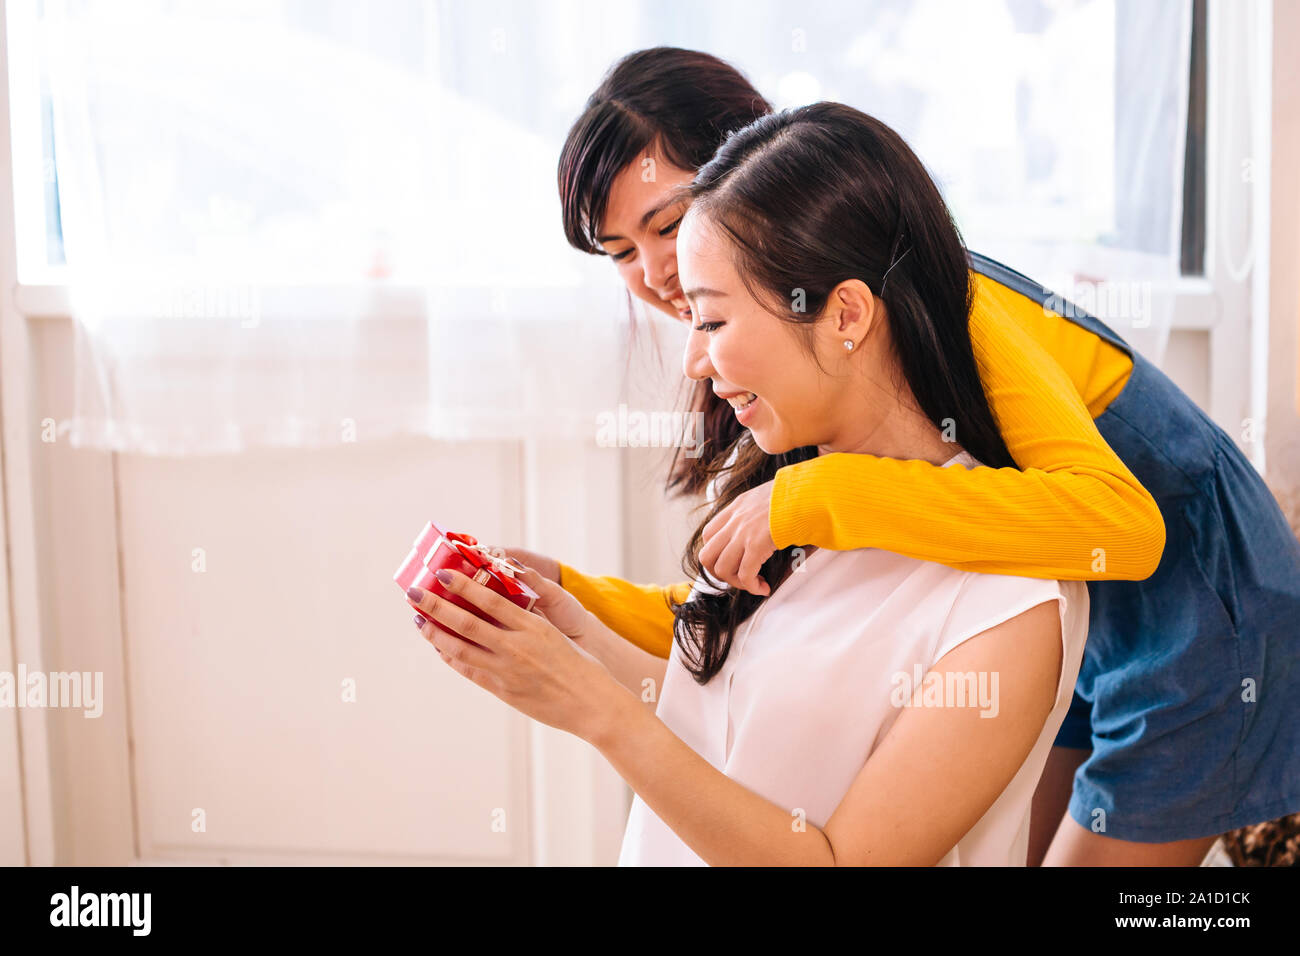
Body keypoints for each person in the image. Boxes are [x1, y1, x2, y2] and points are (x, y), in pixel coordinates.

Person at [518, 48, 1300, 866]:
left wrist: (824, 495)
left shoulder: (943, 307)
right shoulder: (800, 378)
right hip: (1071, 598)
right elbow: (767, 616)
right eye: (617, 252)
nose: (656, 274)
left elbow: (1126, 530)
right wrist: (568, 601)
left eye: (669, 226)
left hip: (1199, 600)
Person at [410, 102, 1091, 865]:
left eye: (712, 323)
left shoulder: (1010, 607)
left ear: (846, 315)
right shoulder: (785, 502)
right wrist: (573, 634)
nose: (694, 364)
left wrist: (595, 710)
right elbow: (721, 718)